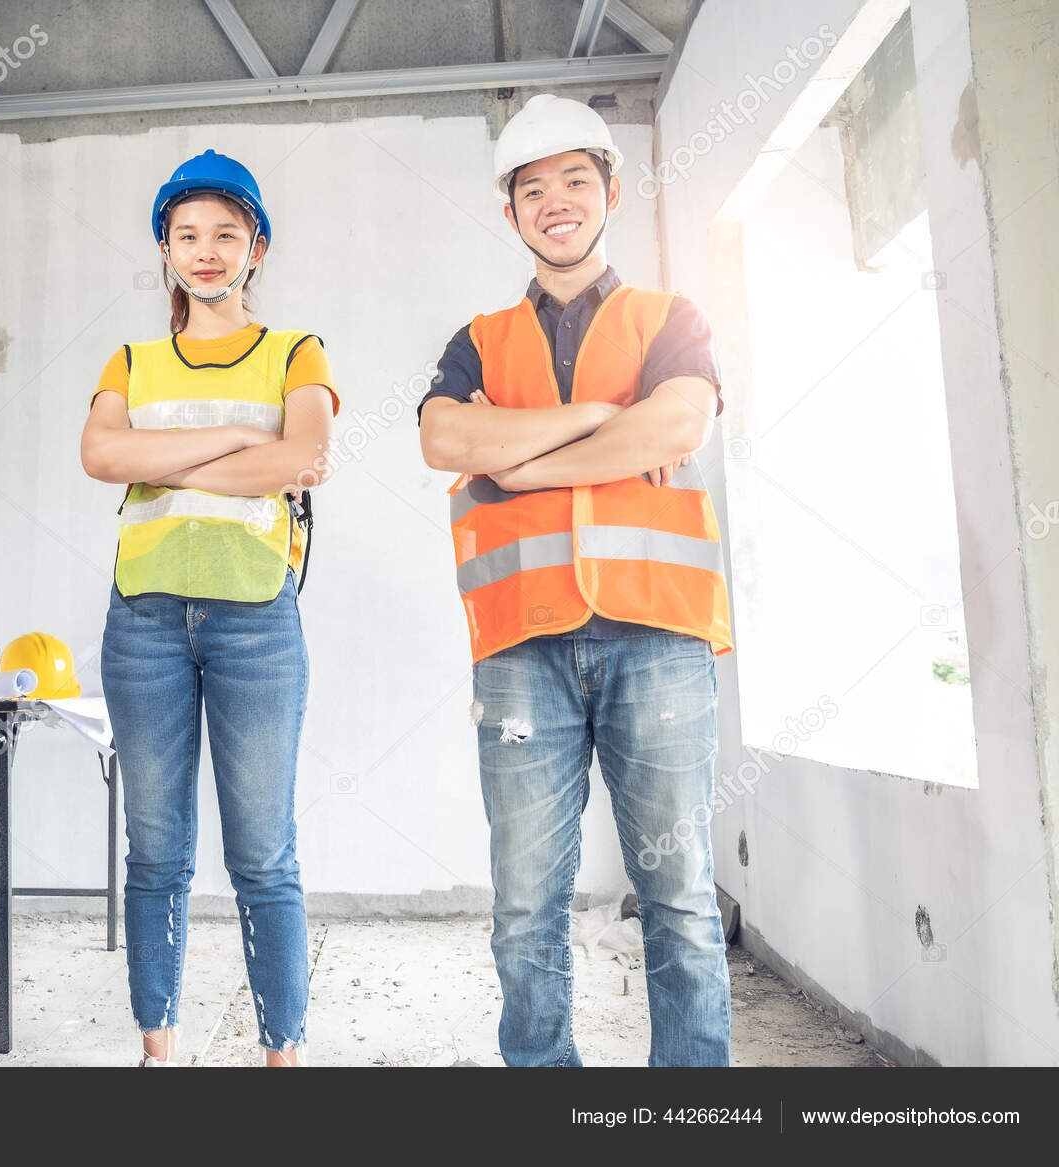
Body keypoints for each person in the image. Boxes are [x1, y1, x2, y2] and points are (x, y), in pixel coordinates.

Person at [418, 95, 733, 1067]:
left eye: (574, 181)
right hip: (522, 644)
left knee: (678, 896)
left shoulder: (669, 319)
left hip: (659, 637)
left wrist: (520, 462)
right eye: (532, 189)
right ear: (510, 211)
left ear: (611, 193)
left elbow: (678, 423)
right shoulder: (478, 340)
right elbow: (445, 438)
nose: (555, 202)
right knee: (525, 906)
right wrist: (602, 418)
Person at [80, 150, 338, 1066]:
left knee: (263, 854)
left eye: (227, 234)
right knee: (155, 851)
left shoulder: (294, 351)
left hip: (255, 619)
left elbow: (304, 457)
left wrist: (163, 457)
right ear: (165, 248)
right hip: (143, 621)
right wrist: (236, 438)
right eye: (187, 234)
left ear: (256, 247)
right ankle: (159, 1050)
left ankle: (283, 1057)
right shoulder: (132, 359)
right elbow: (100, 456)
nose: (206, 250)